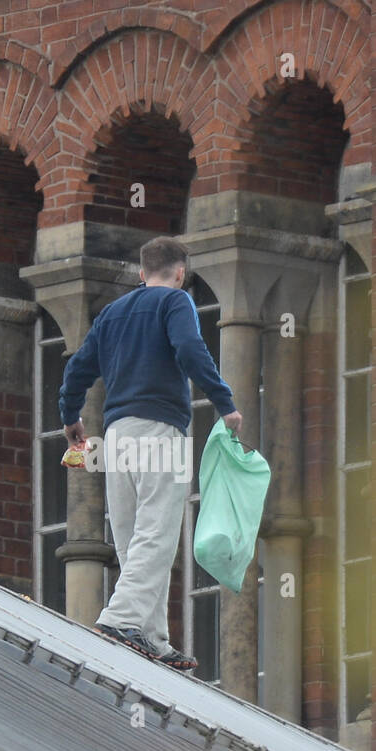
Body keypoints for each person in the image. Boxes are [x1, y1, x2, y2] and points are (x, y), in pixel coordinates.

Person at [58, 235, 242, 669]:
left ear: (142, 274)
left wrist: (70, 416)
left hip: (116, 434)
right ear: (180, 273)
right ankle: (120, 618)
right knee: (156, 535)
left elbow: (77, 368)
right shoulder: (175, 303)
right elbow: (190, 349)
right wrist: (224, 402)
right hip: (162, 430)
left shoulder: (112, 313)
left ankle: (153, 636)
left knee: (132, 538)